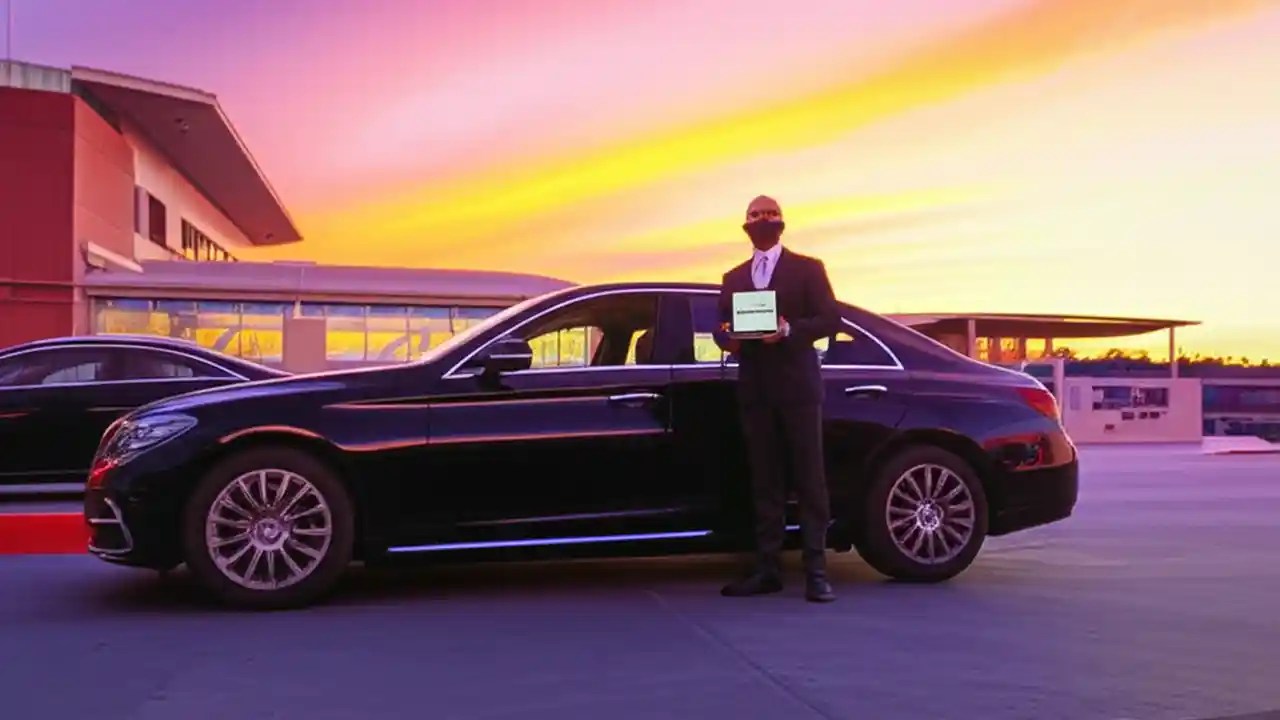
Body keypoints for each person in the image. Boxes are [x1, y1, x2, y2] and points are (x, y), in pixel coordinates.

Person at [714, 195, 842, 603]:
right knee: (765, 482)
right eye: (755, 216)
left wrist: (789, 331)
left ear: (781, 222)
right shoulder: (733, 277)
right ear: (746, 225)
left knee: (809, 481)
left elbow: (830, 319)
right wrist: (728, 339)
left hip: (798, 391)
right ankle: (767, 569)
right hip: (756, 391)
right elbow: (720, 327)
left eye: (769, 215)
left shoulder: (808, 269)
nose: (762, 221)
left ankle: (816, 573)